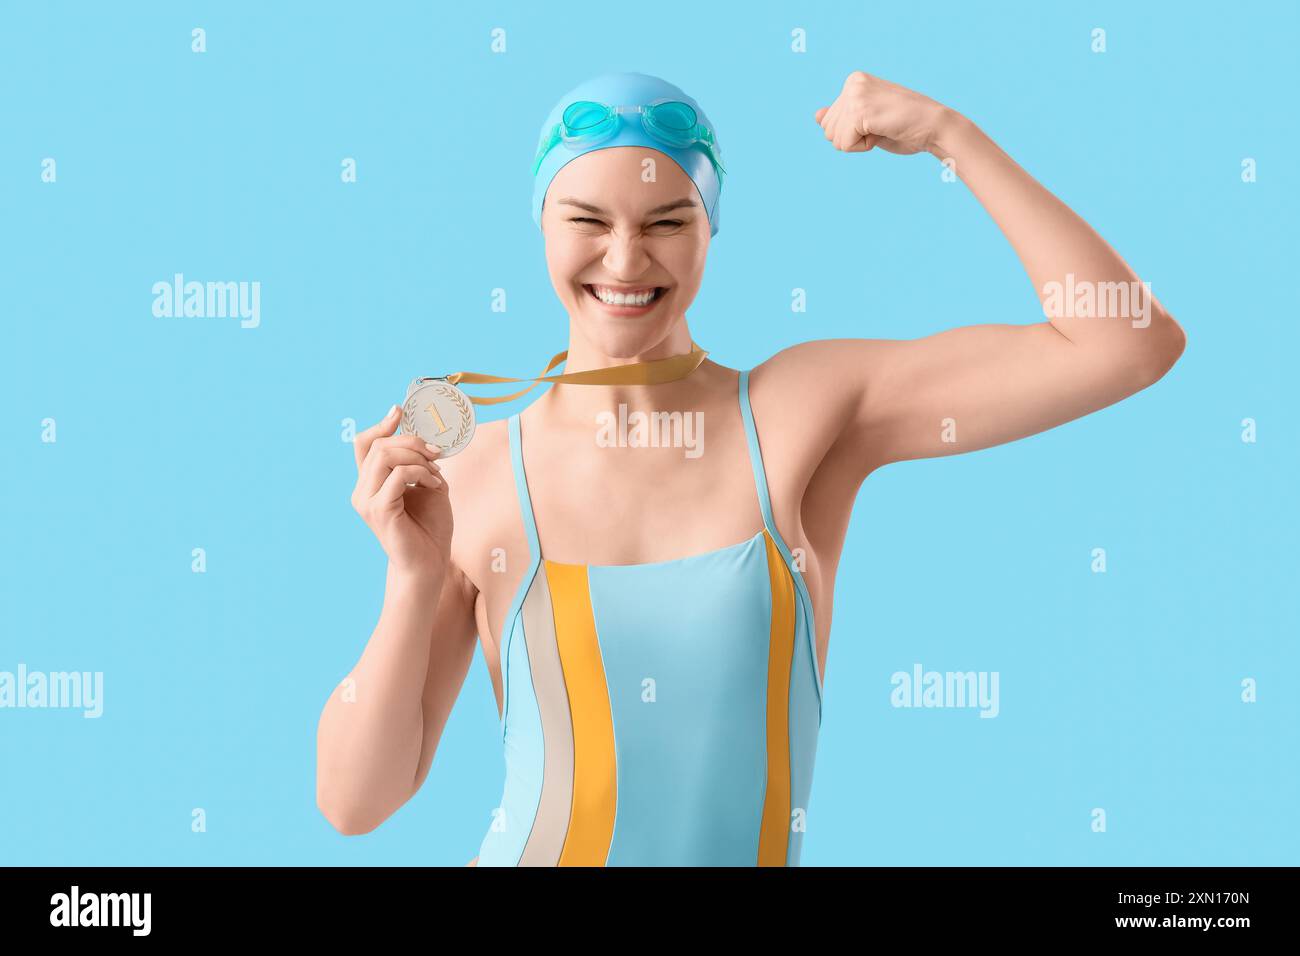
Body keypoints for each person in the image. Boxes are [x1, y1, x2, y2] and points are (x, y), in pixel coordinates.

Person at [315, 71, 1186, 866]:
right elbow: (355, 803)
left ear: (711, 229)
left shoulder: (801, 415)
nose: (625, 260)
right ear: (542, 224)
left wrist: (951, 135)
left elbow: (1126, 345)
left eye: (667, 223)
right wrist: (410, 579)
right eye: (586, 220)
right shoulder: (476, 478)